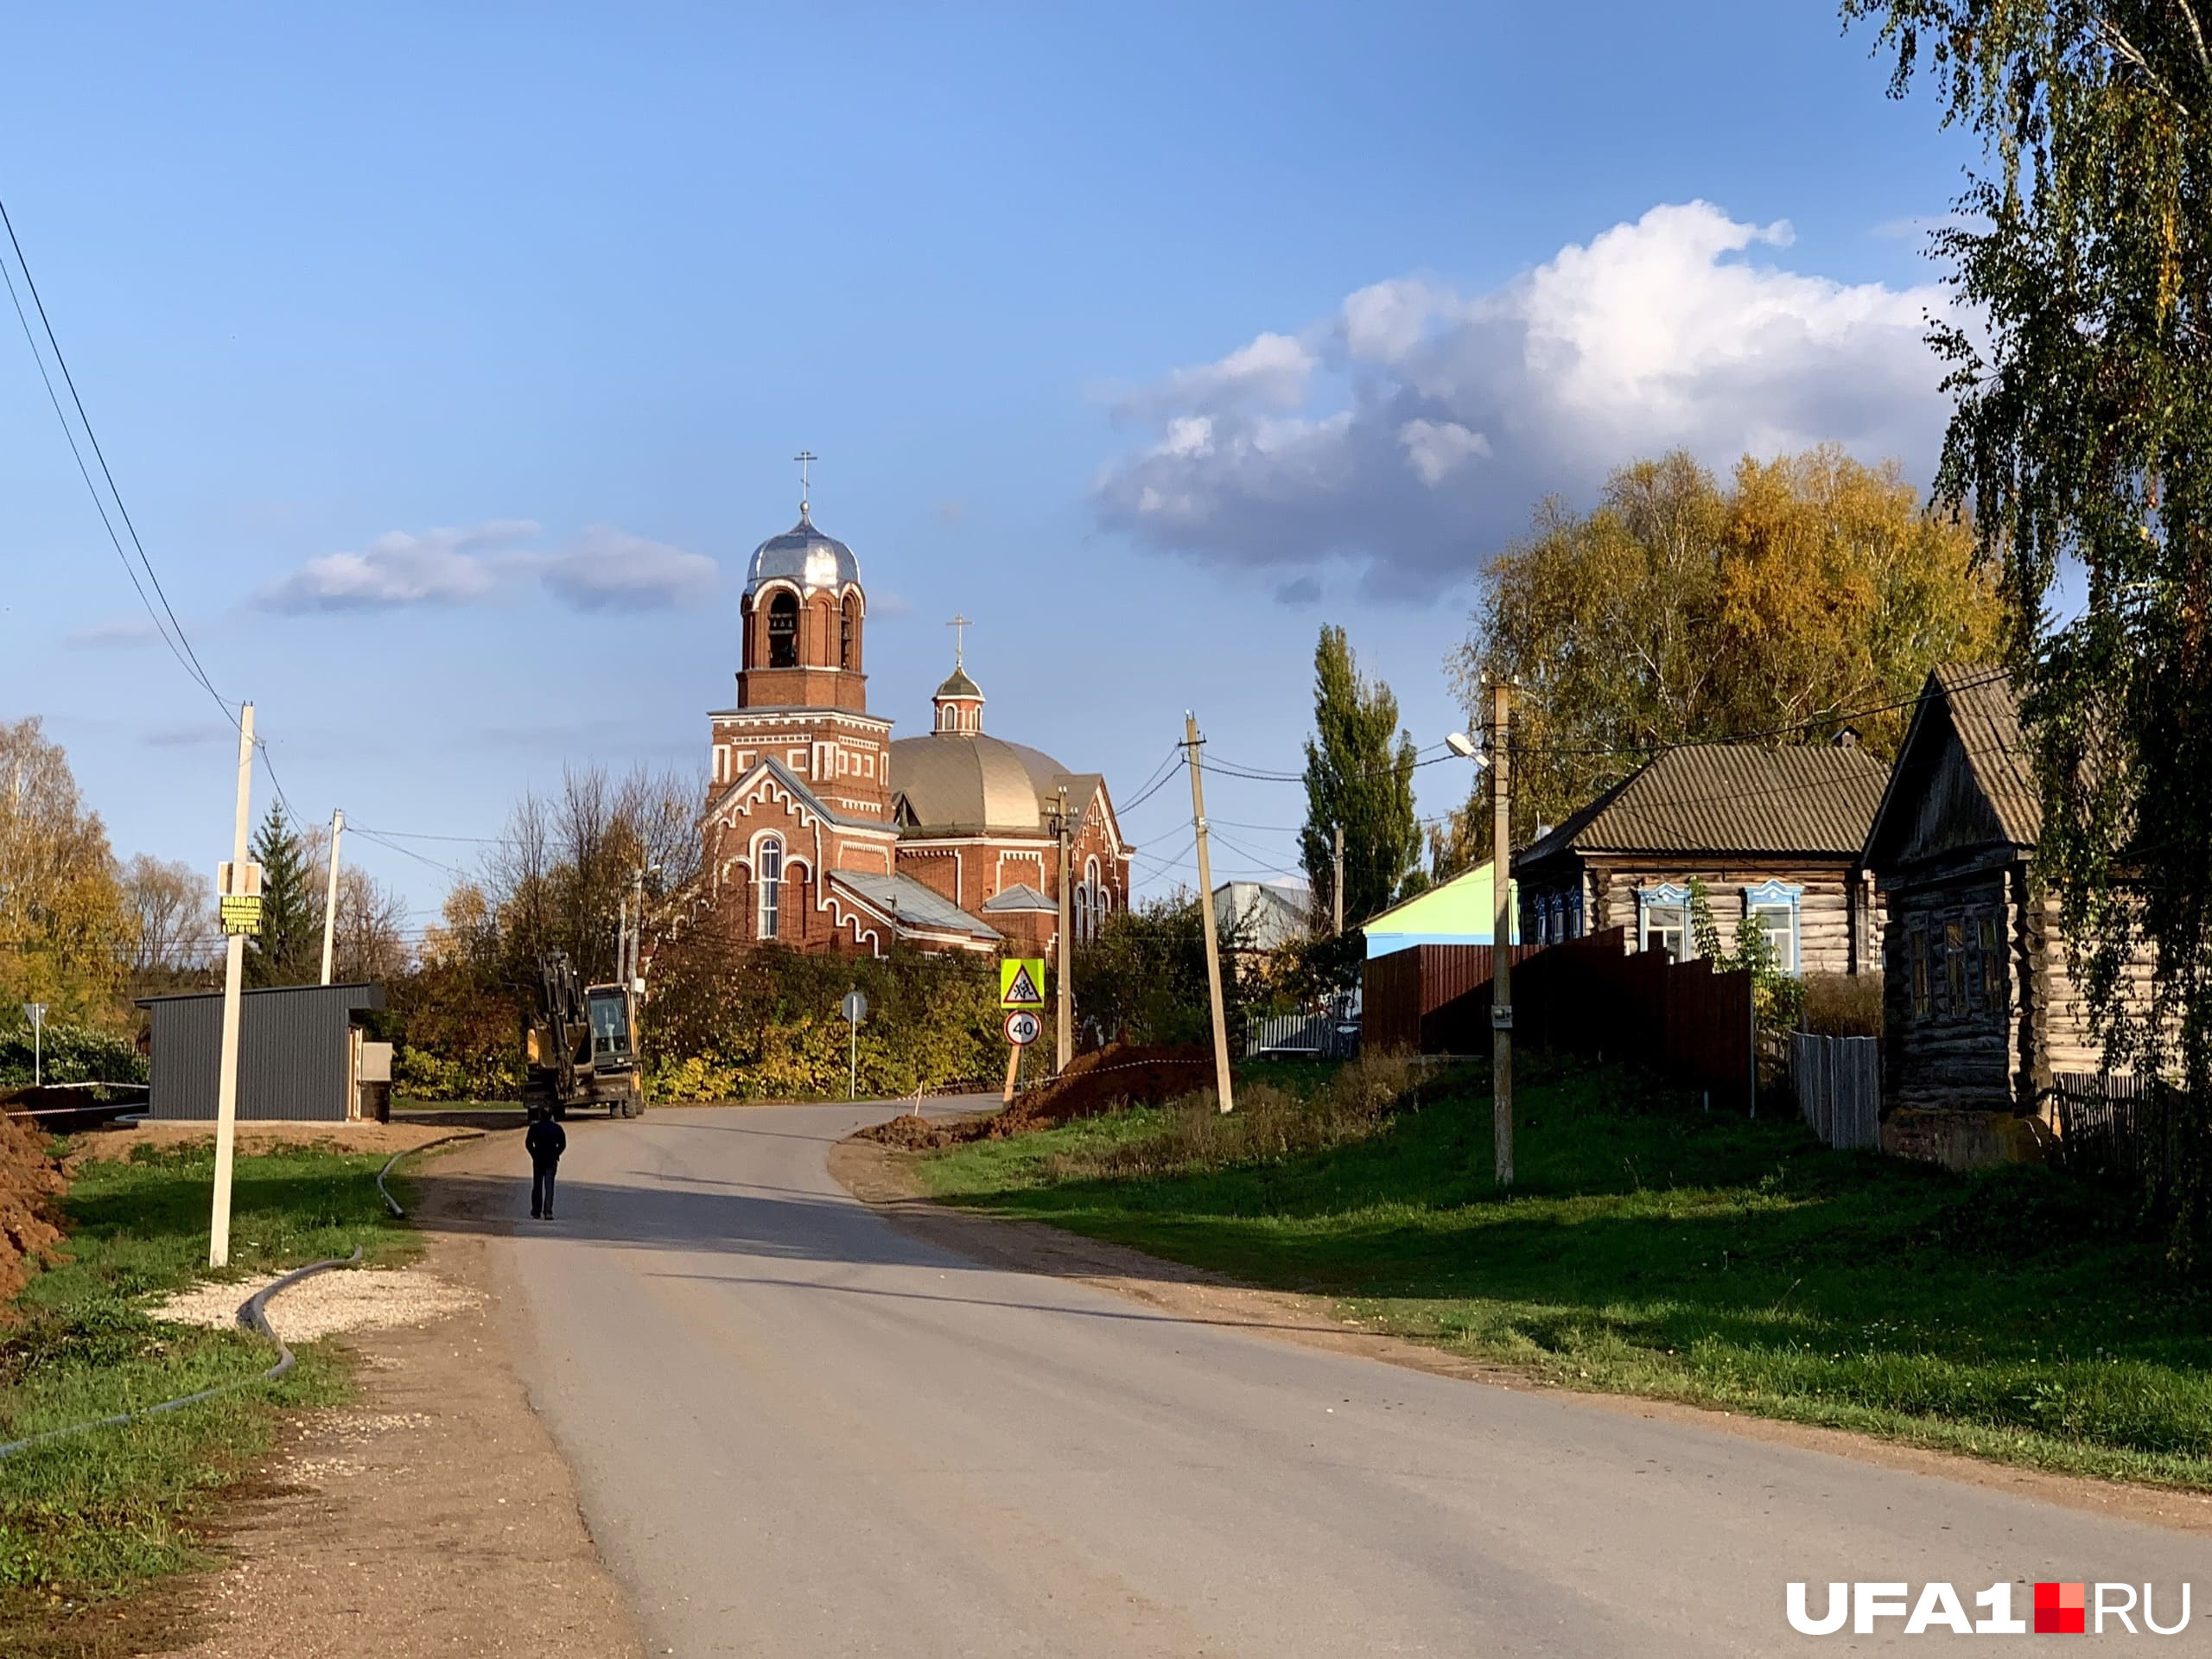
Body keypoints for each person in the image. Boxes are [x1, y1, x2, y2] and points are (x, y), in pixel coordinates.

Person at [524, 1103, 567, 1219]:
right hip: (551, 1160)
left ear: (540, 1115)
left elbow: (528, 1143)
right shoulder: (557, 1128)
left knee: (537, 1185)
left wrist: (534, 1154)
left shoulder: (534, 1128)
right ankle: (548, 1211)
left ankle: (536, 1211)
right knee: (549, 1186)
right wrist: (556, 1153)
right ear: (551, 1115)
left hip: (538, 1160)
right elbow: (563, 1144)